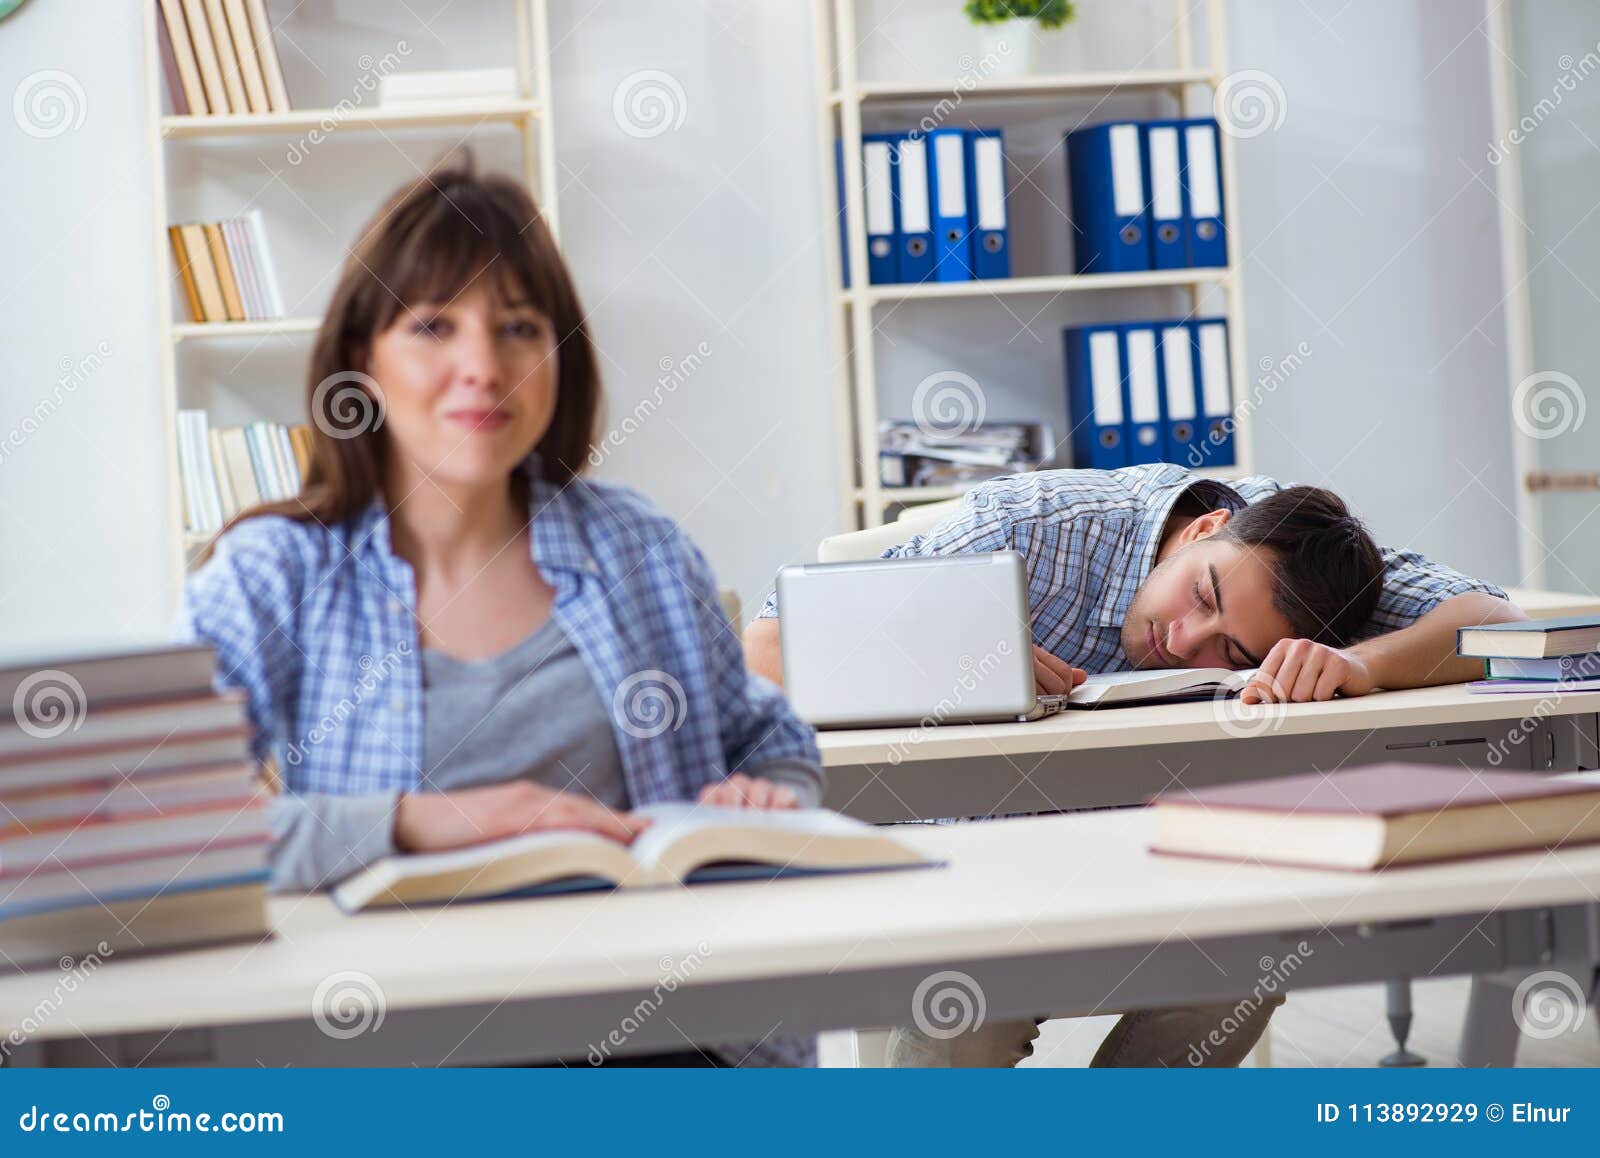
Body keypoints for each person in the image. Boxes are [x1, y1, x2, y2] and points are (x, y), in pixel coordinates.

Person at [178, 161, 821, 1066]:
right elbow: (154, 836)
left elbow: (772, 744)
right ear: (363, 358)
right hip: (396, 1052)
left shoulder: (640, 549)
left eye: (519, 329)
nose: (483, 369)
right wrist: (410, 823)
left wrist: (765, 799)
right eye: (434, 326)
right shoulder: (273, 573)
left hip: (667, 1049)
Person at [743, 464, 1526, 1066]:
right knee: (959, 1024)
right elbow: (763, 653)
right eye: (1202, 595)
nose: (1186, 641)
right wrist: (943, 660)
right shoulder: (1039, 528)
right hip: (969, 873)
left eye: (1233, 652)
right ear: (1204, 529)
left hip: (1153, 870)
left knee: (1248, 959)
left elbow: (1498, 621)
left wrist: (1360, 663)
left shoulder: (1316, 568)